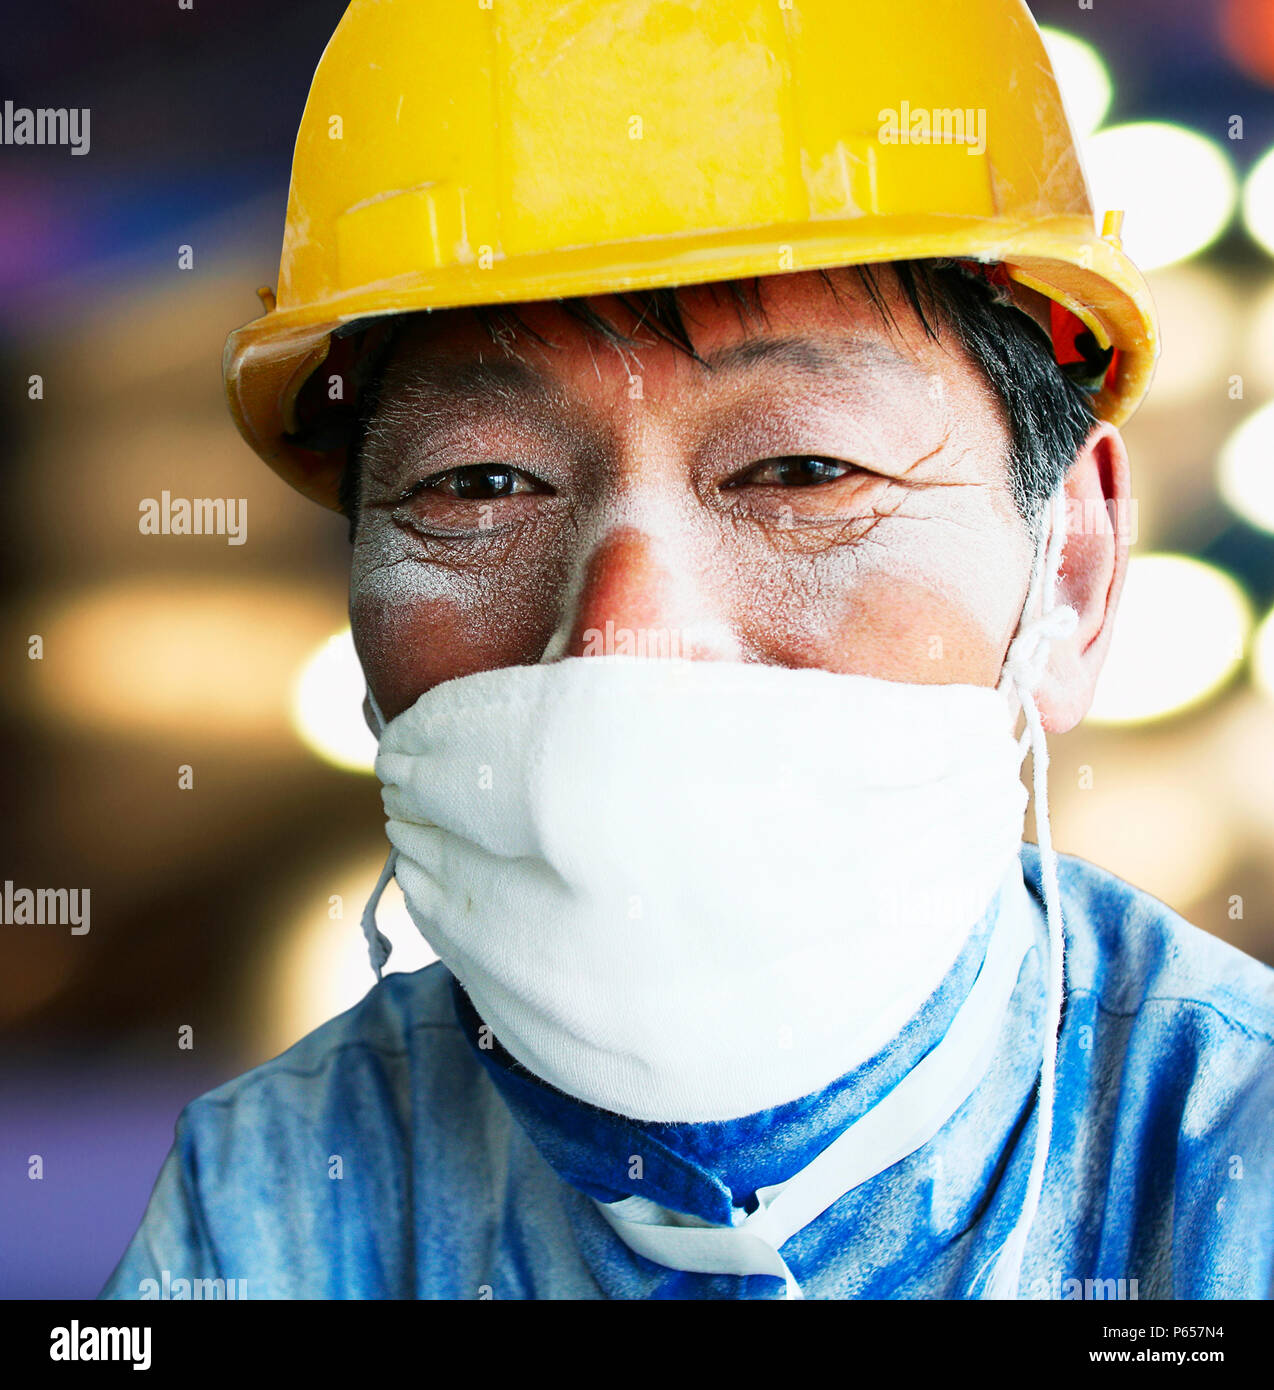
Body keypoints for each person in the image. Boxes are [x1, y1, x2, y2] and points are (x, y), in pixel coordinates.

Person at [100, 0, 1273, 1300]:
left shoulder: (1236, 1160)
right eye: (482, 481)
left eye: (803, 467)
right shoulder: (271, 1199)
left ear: (1070, 569)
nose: (622, 635)